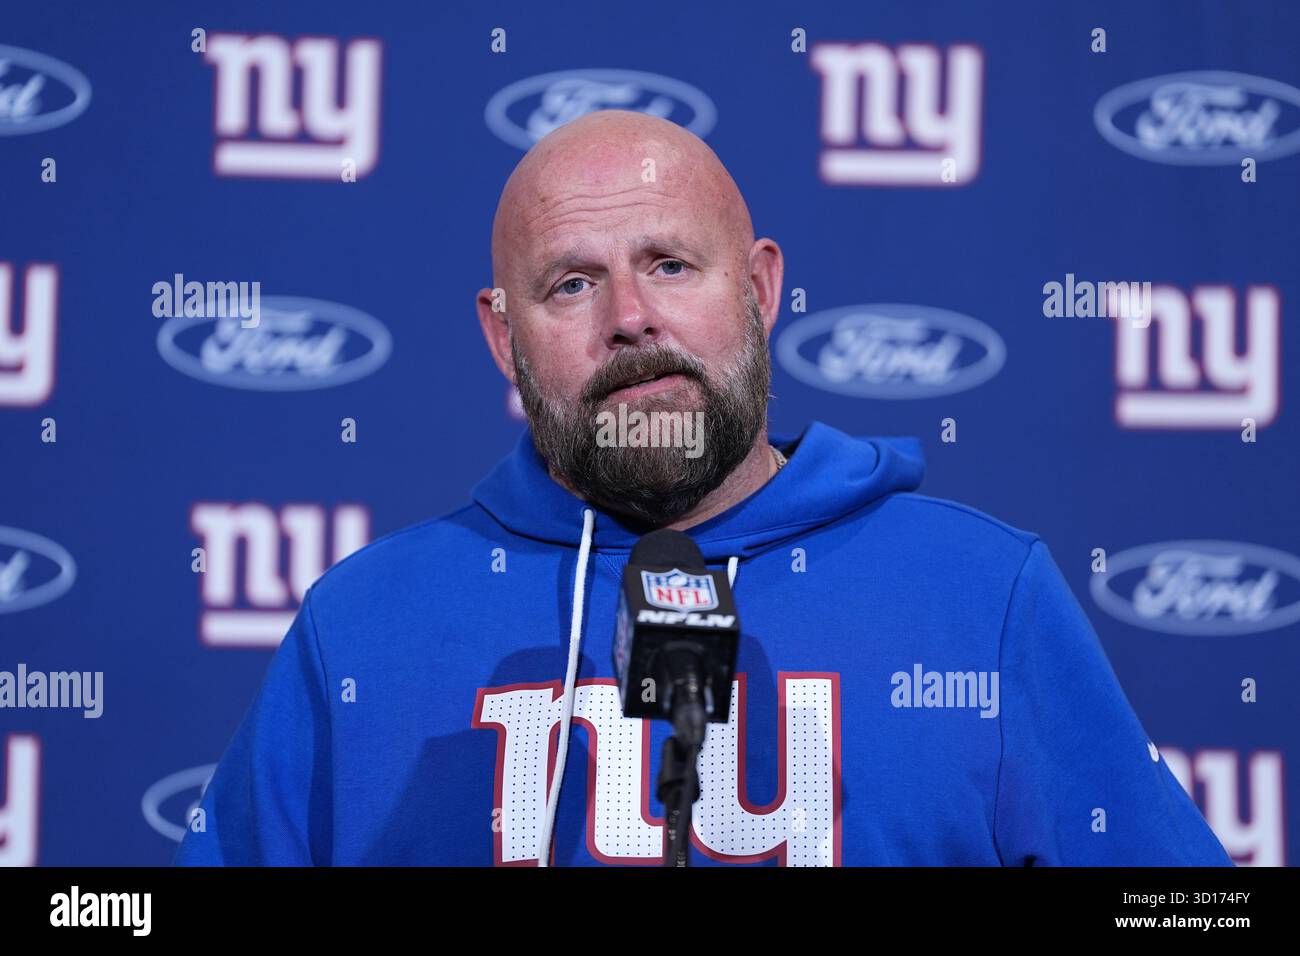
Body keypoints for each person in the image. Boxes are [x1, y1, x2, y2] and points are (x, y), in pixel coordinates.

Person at [174, 110, 1232, 867]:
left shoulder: (982, 595)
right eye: (571, 283)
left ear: (762, 288)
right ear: (504, 337)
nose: (629, 316)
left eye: (672, 264)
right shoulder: (363, 625)